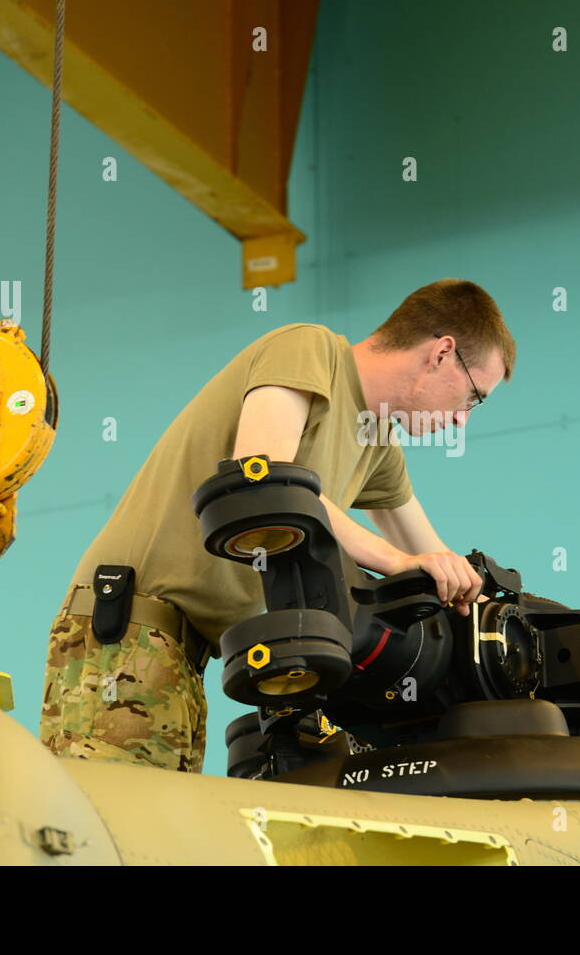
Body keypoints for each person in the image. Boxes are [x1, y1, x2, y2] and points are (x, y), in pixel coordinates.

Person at [38, 278, 517, 773]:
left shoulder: (376, 441)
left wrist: (494, 620)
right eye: (473, 397)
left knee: (152, 814)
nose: (461, 421)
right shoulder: (309, 349)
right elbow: (261, 474)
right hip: (132, 623)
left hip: (185, 650)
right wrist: (398, 562)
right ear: (441, 353)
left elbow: (434, 560)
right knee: (116, 810)